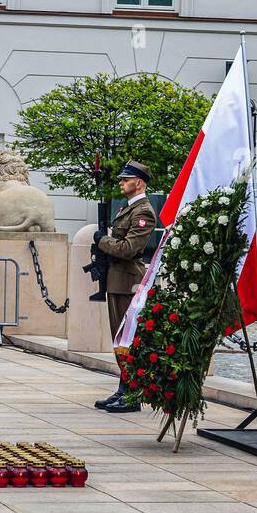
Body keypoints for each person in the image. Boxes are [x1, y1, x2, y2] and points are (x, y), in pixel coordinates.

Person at [94, 161, 158, 414]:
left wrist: (102, 241)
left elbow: (128, 249)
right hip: (117, 279)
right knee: (119, 339)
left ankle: (132, 393)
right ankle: (124, 387)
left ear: (139, 183)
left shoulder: (143, 212)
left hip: (127, 280)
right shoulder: (128, 208)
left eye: (126, 179)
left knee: (127, 339)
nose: (121, 182)